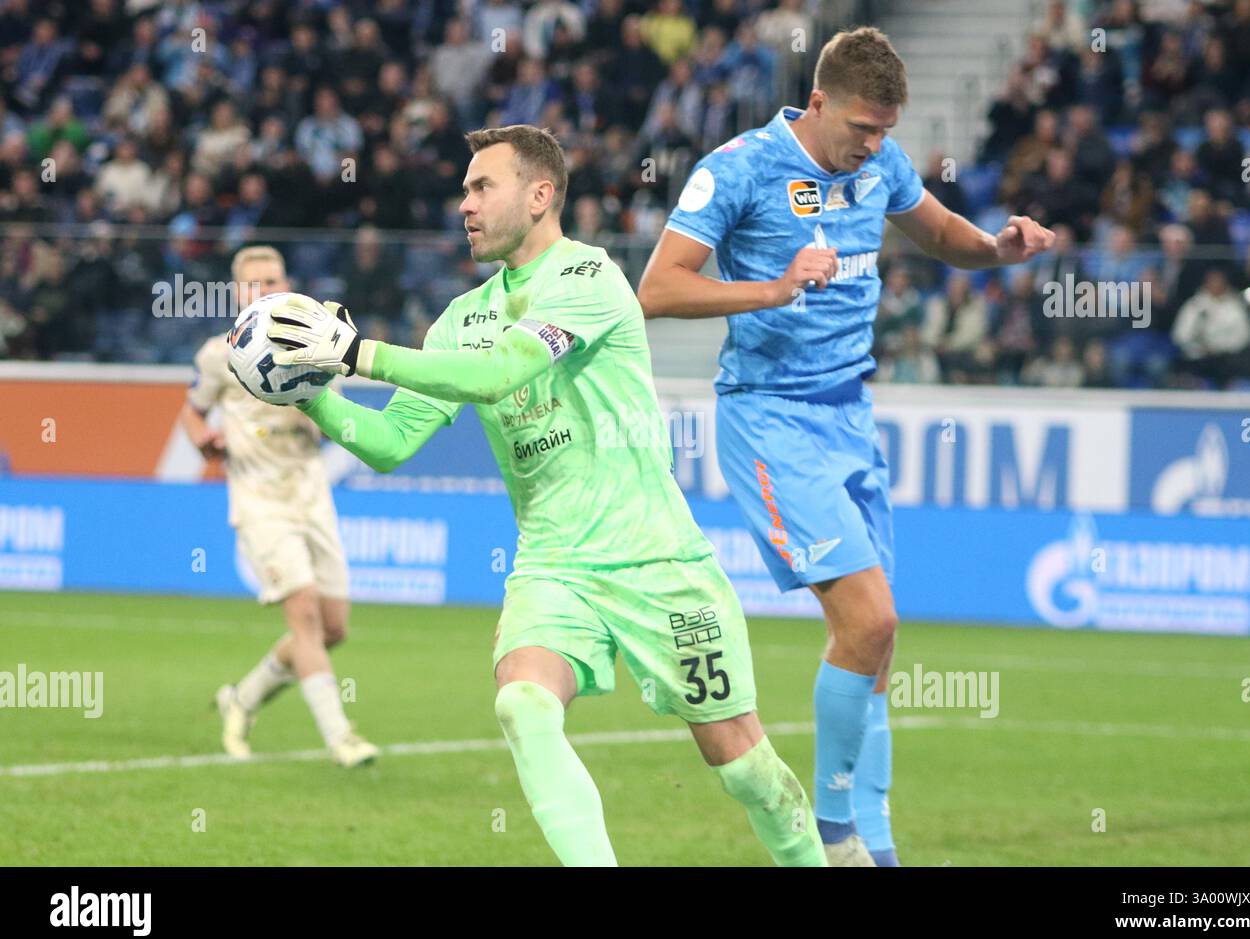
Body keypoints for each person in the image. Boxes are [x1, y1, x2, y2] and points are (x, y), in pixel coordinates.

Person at [263, 125, 827, 867]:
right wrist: (308, 393)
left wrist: (356, 353)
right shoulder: (459, 319)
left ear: (539, 195)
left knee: (743, 766)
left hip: (655, 559)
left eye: (480, 187)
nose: (463, 204)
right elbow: (392, 443)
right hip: (553, 566)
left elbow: (502, 373)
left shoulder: (591, 279)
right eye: (464, 189)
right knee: (522, 705)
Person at [637, 27, 1054, 866]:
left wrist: (996, 250)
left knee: (874, 645)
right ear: (818, 102)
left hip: (849, 416)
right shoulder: (740, 168)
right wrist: (776, 287)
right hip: (772, 416)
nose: (875, 146)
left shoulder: (880, 163)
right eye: (863, 128)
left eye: (886, 132)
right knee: (871, 620)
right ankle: (831, 835)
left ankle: (879, 844)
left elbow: (939, 235)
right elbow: (657, 288)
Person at [180, 245, 377, 767]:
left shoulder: (310, 346)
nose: (265, 289)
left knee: (333, 628)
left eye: (273, 279)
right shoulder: (218, 354)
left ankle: (242, 698)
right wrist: (204, 441)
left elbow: (331, 425)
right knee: (305, 616)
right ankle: (341, 737)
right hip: (259, 498)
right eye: (254, 283)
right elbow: (192, 413)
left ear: (286, 282)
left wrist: (319, 413)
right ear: (237, 291)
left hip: (311, 492)